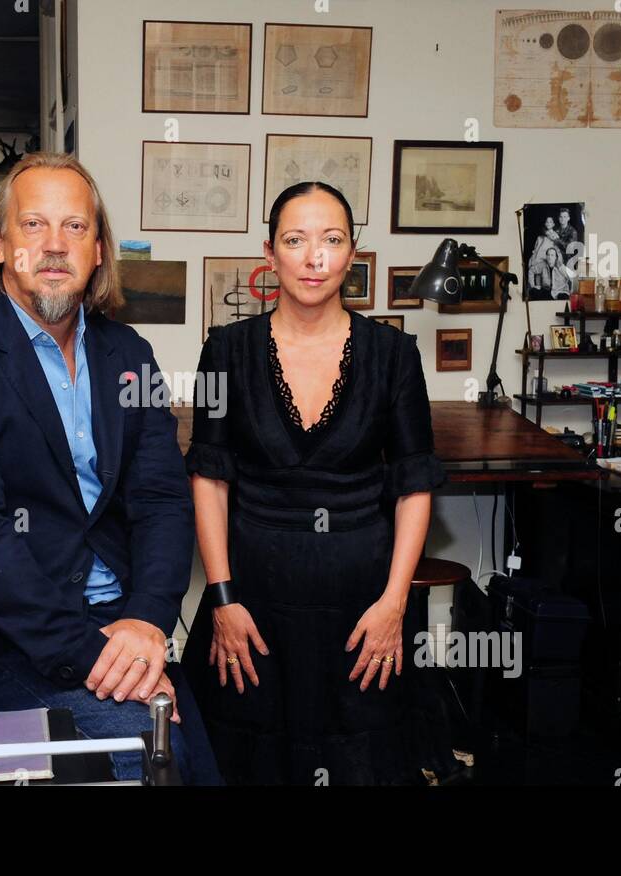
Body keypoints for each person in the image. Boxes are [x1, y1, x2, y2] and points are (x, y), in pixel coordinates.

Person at [0, 152, 219, 785]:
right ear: (2, 247)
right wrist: (95, 656)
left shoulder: (128, 353)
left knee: (188, 756)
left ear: (98, 250)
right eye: (34, 225)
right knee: (147, 757)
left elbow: (160, 498)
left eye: (74, 227)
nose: (54, 245)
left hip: (121, 620)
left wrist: (148, 618)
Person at [181, 181, 456, 785]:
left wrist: (394, 602)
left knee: (365, 760)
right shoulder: (225, 350)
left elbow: (414, 486)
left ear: (352, 252)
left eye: (331, 240)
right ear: (270, 252)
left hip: (364, 608)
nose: (314, 257)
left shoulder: (394, 354)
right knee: (247, 762)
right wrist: (223, 600)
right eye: (296, 240)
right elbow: (210, 477)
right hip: (252, 604)